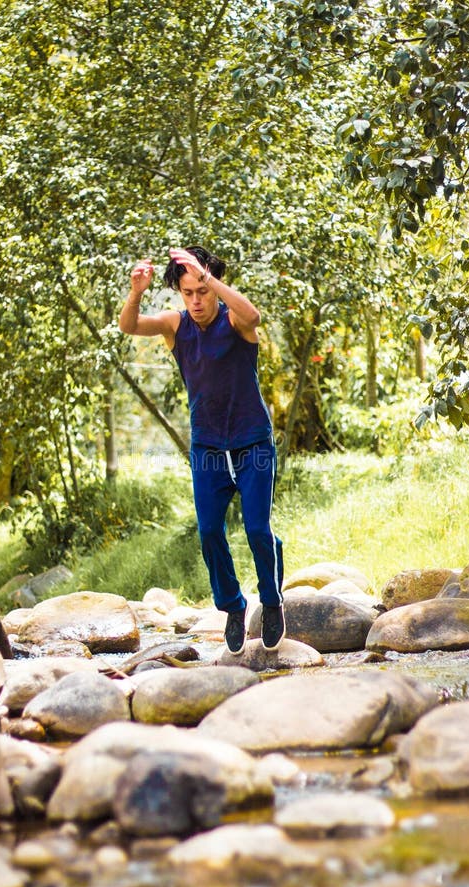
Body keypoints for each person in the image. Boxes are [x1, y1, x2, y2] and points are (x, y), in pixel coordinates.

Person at [119, 246, 285, 654]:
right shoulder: (176, 326)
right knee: (210, 531)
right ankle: (232, 607)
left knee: (258, 530)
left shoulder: (236, 322)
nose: (195, 301)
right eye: (188, 292)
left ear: (213, 286)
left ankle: (272, 601)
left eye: (202, 291)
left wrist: (210, 279)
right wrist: (137, 291)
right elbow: (129, 326)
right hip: (208, 447)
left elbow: (254, 317)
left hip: (252, 444)